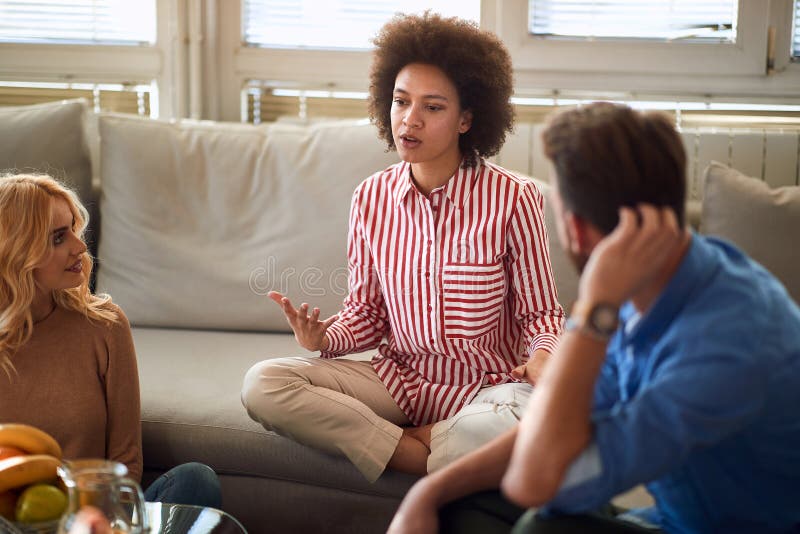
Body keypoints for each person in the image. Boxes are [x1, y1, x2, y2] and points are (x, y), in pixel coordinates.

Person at [387, 102, 800, 533]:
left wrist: (592, 312)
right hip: (676, 518)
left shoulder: (721, 346)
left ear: (578, 231)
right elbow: (558, 425)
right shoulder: (664, 277)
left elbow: (535, 479)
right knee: (459, 502)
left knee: (541, 527)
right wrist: (425, 495)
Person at [241, 12, 564, 483]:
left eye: (432, 107)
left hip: (489, 390)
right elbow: (368, 313)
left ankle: (420, 443)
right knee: (264, 383)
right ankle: (420, 452)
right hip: (399, 383)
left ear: (466, 119)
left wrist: (544, 354)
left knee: (534, 419)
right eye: (400, 101)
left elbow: (542, 316)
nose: (409, 120)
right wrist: (324, 339)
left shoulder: (515, 199)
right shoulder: (370, 197)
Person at [0, 173, 221, 508]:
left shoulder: (104, 325)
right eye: (59, 238)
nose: (79, 246)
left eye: (74, 228)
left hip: (98, 515)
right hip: (14, 522)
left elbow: (126, 462)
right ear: (16, 253)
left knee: (195, 480)